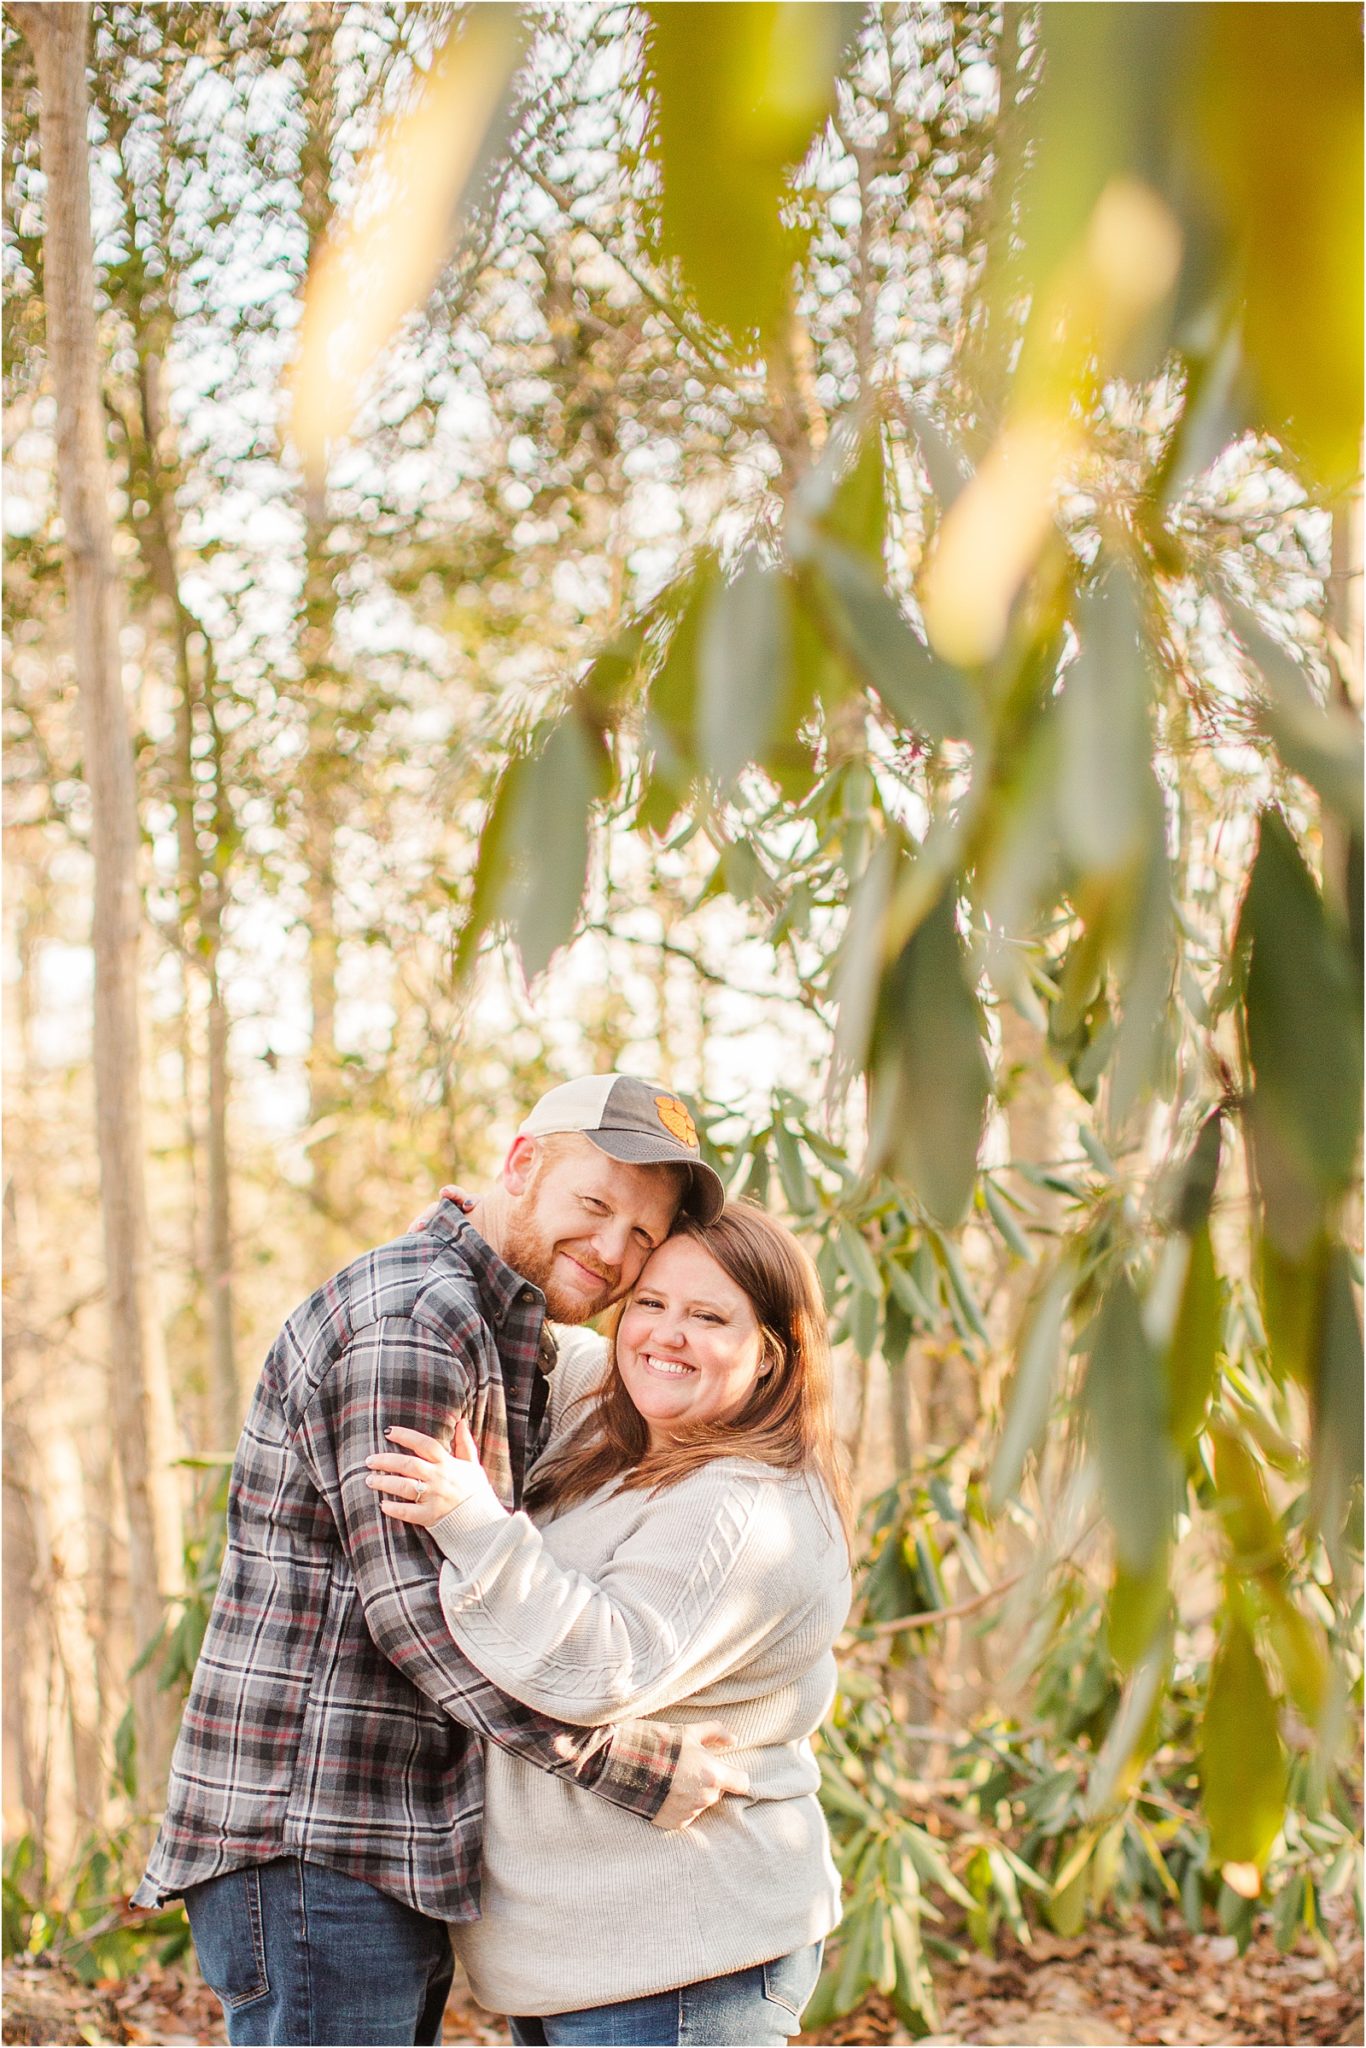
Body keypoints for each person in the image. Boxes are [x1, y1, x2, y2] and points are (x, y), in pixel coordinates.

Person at [133, 1075, 746, 2048]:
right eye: (595, 1205)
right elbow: (427, 1614)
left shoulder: (500, 1327)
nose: (614, 1251)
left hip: (373, 1846)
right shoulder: (417, 1321)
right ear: (520, 1162)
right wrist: (630, 1764)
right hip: (316, 1843)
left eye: (642, 1232)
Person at [366, 1200, 854, 2047]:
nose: (666, 1334)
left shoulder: (742, 1505)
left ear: (774, 1354)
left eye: (710, 1317)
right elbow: (523, 1305)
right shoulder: (619, 1417)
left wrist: (472, 1525)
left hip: (684, 1956)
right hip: (588, 1955)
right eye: (653, 1302)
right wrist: (468, 1227)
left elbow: (597, 1667)